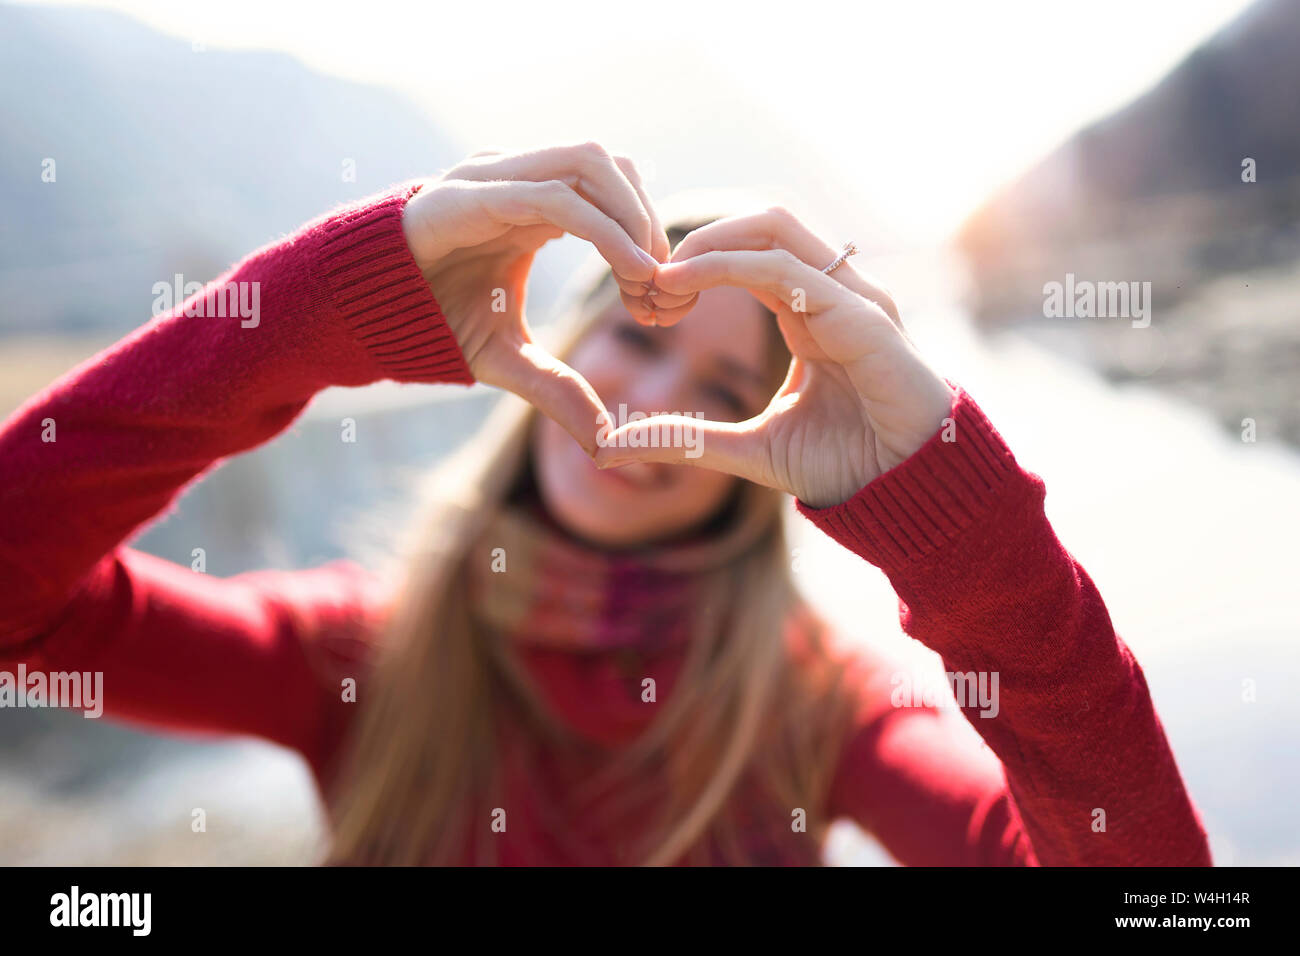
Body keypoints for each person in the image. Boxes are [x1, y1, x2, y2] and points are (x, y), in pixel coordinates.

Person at [0, 142, 1212, 866]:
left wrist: (962, 524)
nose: (654, 401)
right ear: (549, 346)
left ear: (765, 456)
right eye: (633, 337)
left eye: (729, 389)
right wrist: (316, 314)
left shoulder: (816, 709)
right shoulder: (356, 654)